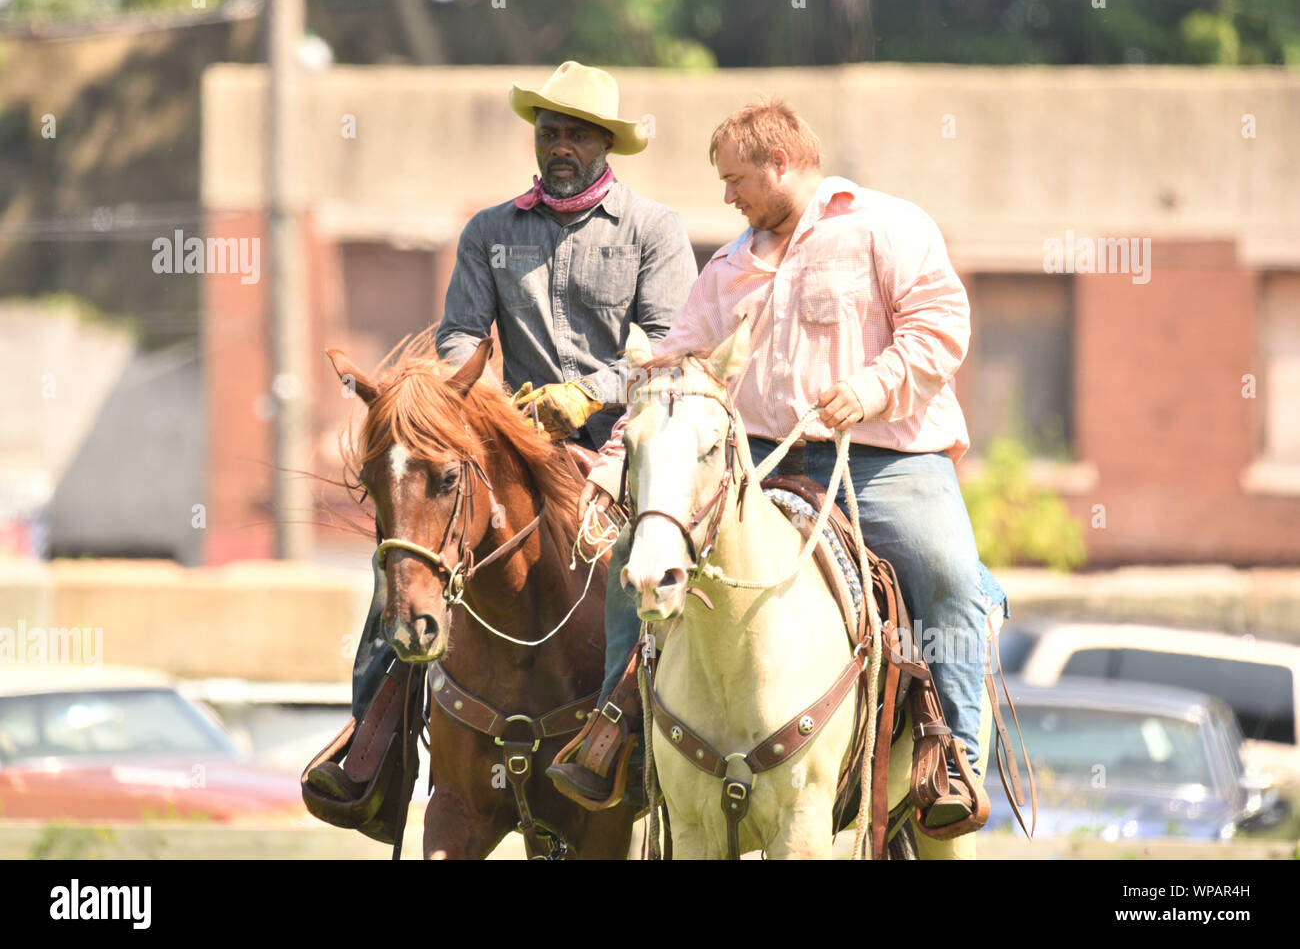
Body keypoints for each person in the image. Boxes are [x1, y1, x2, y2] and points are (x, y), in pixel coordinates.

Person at [547, 97, 1008, 831]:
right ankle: (618, 733)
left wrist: (871, 387)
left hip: (889, 458)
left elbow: (941, 327)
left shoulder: (887, 226)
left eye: (736, 180)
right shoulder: (728, 265)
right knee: (640, 556)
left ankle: (947, 756)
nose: (727, 197)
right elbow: (672, 374)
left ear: (780, 164)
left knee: (947, 572)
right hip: (760, 460)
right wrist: (612, 466)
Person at [303, 61, 698, 840]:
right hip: (514, 444)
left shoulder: (653, 230)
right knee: (412, 555)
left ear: (604, 144)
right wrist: (477, 396)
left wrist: (591, 391)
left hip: (627, 439)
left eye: (575, 134)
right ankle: (371, 748)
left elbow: (672, 350)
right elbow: (458, 333)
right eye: (549, 131)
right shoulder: (489, 230)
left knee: (665, 561)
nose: (559, 145)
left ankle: (672, 745)